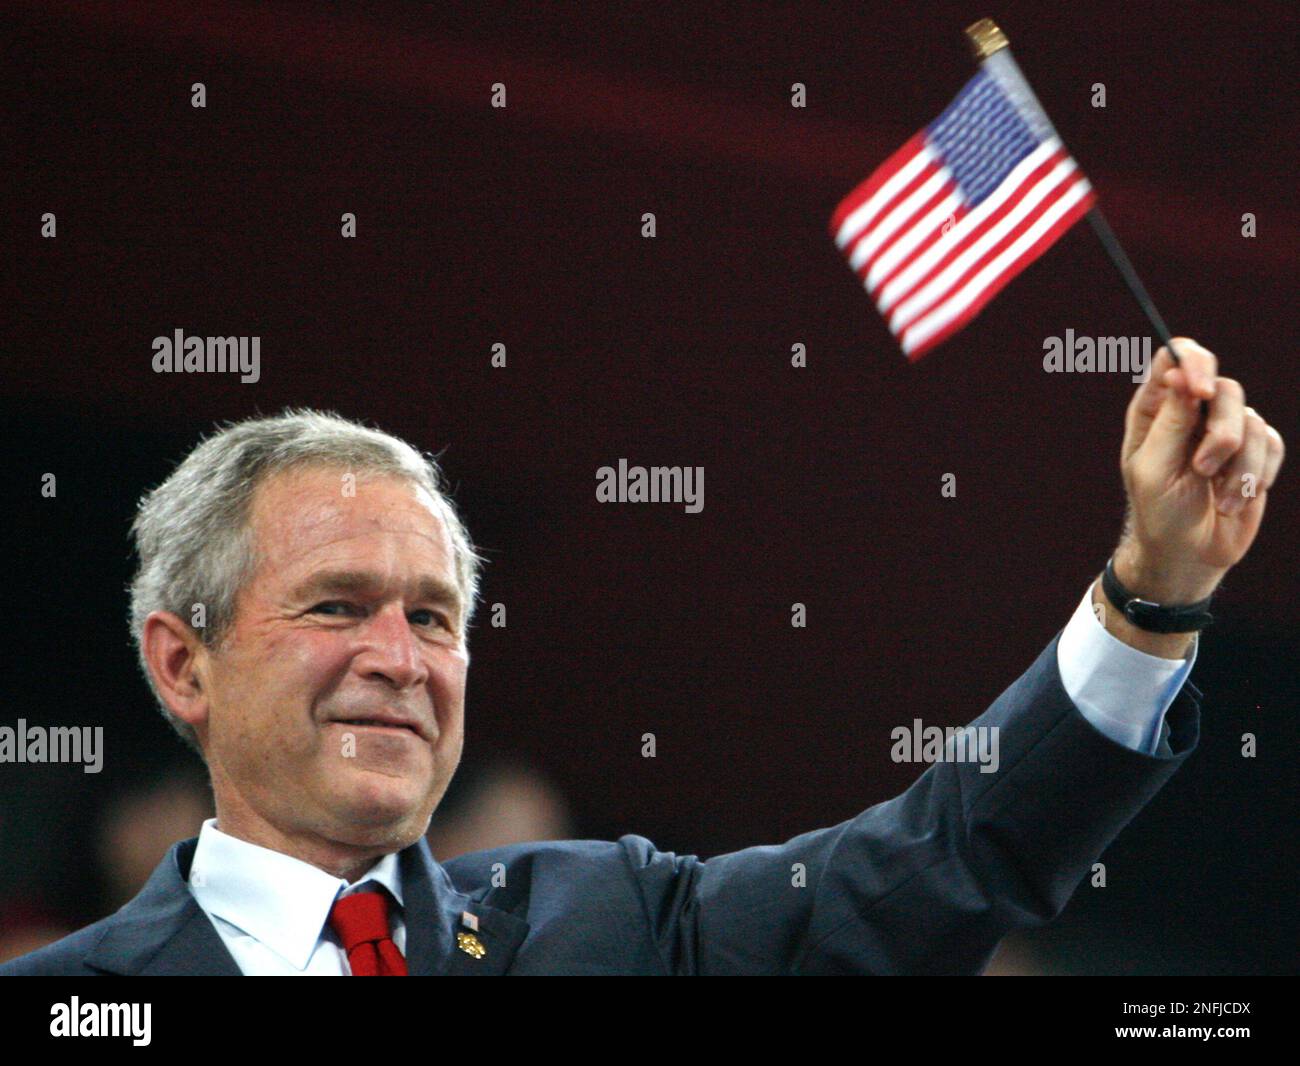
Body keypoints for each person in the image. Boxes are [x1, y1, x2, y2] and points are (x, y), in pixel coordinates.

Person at [0, 340, 1284, 975]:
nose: (400, 657)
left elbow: (943, 862)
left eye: (435, 617)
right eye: (338, 605)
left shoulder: (606, 928)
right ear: (183, 663)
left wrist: (1154, 596)